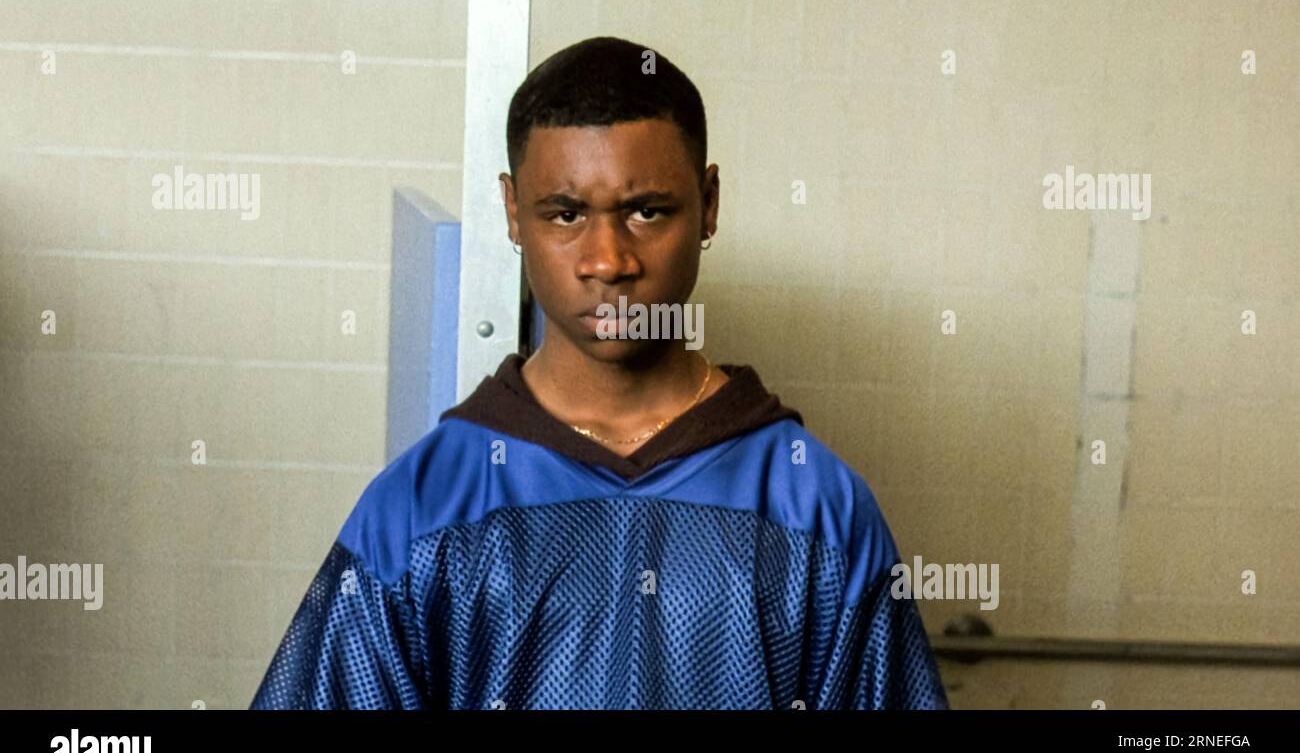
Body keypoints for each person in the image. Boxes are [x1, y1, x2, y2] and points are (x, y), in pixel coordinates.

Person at [250, 36, 948, 710]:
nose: (608, 260)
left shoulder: (814, 505)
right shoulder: (422, 507)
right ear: (513, 212)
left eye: (647, 211)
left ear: (709, 203)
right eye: (565, 214)